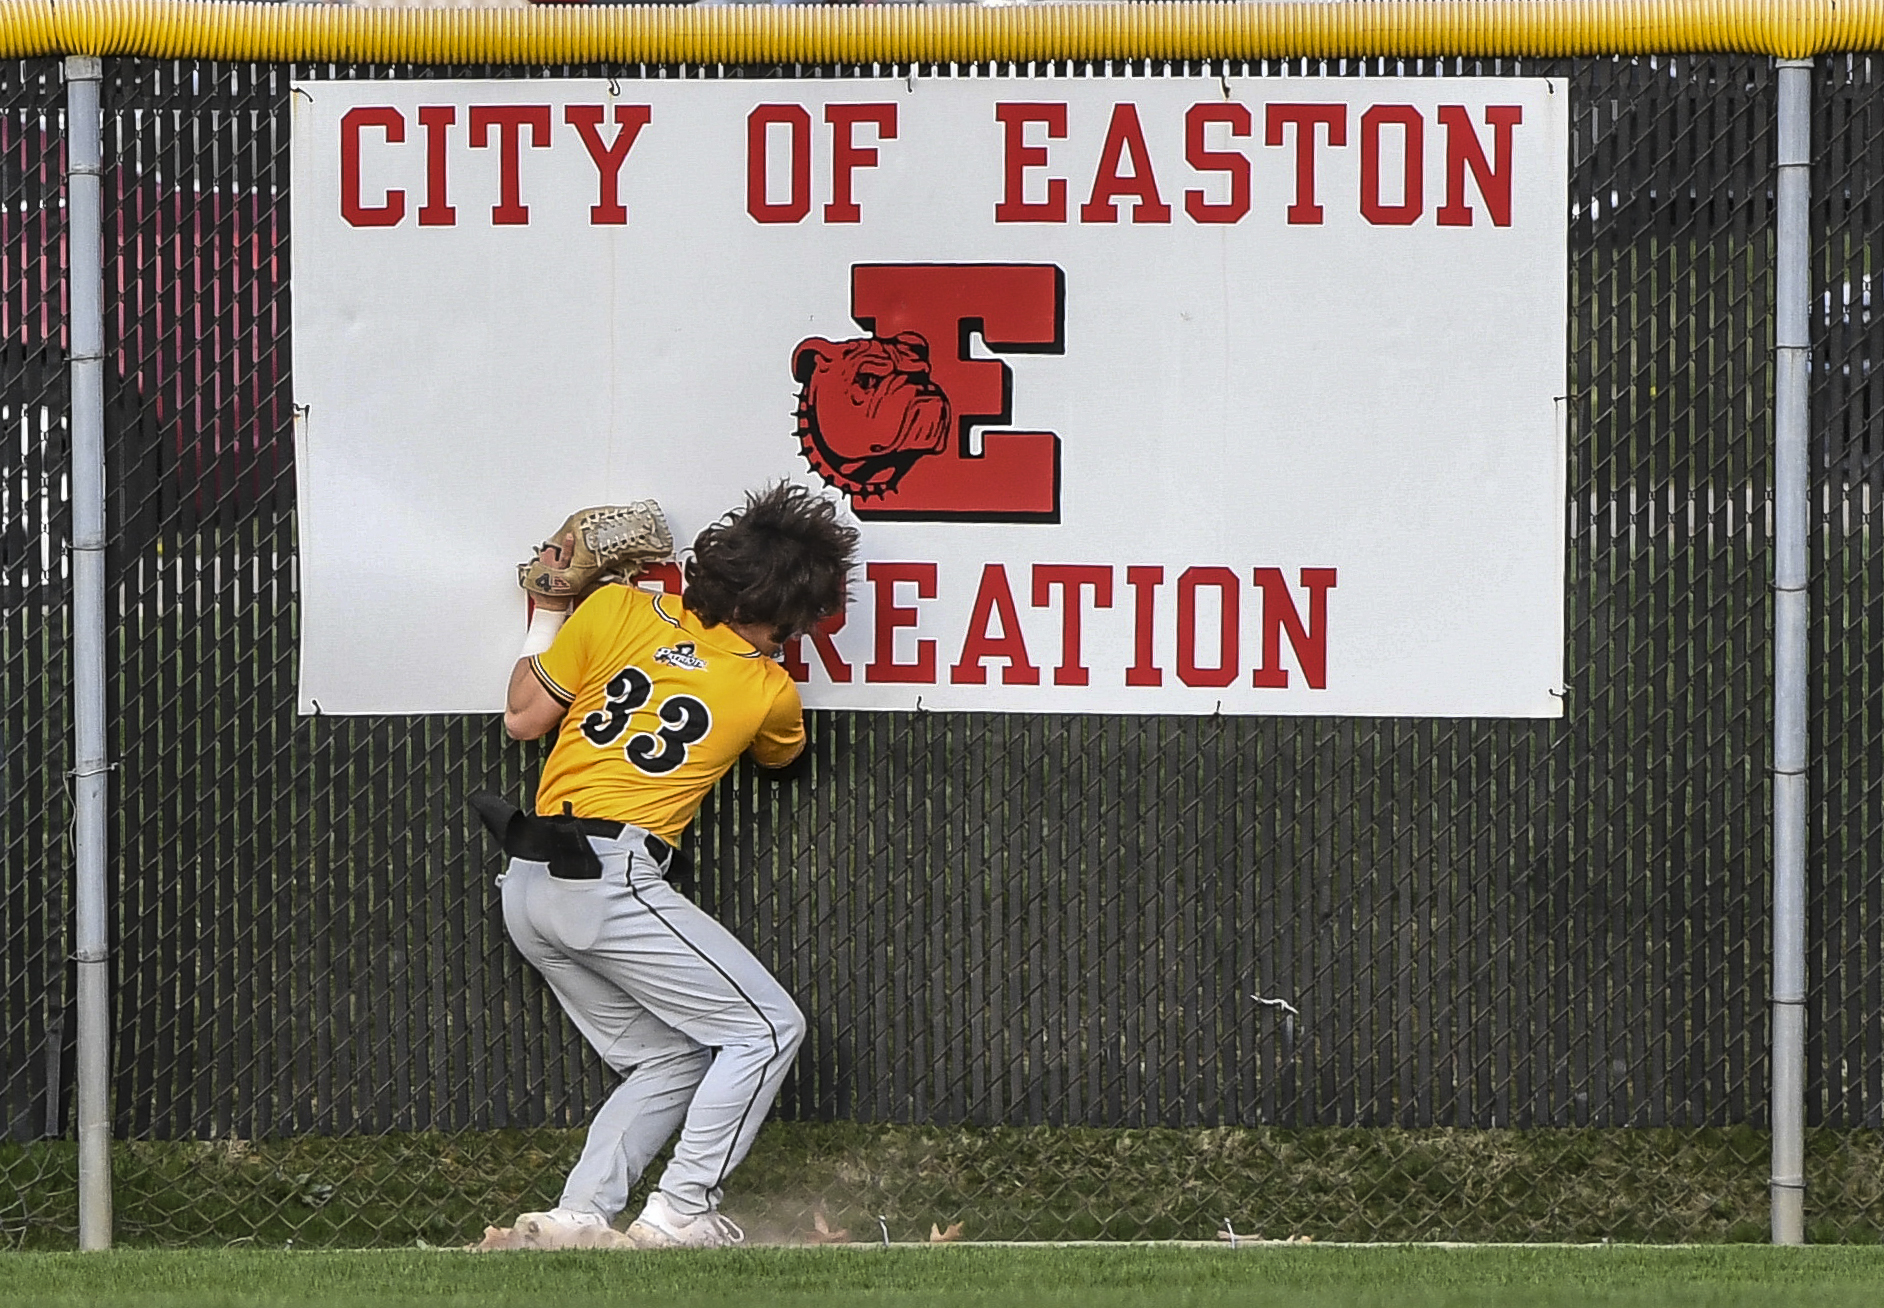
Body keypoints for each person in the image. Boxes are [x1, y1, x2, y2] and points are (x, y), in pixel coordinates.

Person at [496, 481, 858, 1249]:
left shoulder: (618, 609)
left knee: (673, 1057)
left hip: (528, 884)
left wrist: (556, 605)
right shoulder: (767, 688)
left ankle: (577, 1217)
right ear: (789, 617)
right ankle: (681, 1210)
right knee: (767, 1030)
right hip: (611, 876)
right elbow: (782, 763)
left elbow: (522, 717)